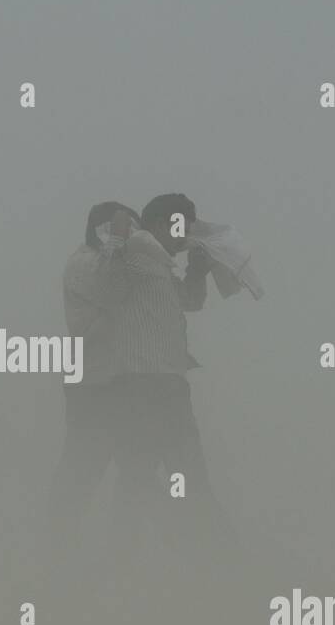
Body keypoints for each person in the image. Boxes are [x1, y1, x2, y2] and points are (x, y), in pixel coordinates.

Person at [102, 193, 239, 557]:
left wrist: (197, 268)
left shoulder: (159, 265)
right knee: (177, 476)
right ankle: (219, 557)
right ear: (163, 224)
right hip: (143, 387)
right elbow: (110, 290)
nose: (184, 237)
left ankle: (126, 562)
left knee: (140, 479)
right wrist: (116, 238)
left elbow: (190, 301)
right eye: (181, 227)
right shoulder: (134, 251)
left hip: (164, 387)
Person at [45, 201, 139, 552]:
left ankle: (117, 552)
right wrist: (117, 243)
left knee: (131, 468)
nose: (132, 236)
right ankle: (54, 548)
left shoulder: (105, 264)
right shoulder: (85, 264)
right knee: (82, 469)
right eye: (126, 228)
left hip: (114, 382)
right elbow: (113, 294)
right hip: (93, 385)